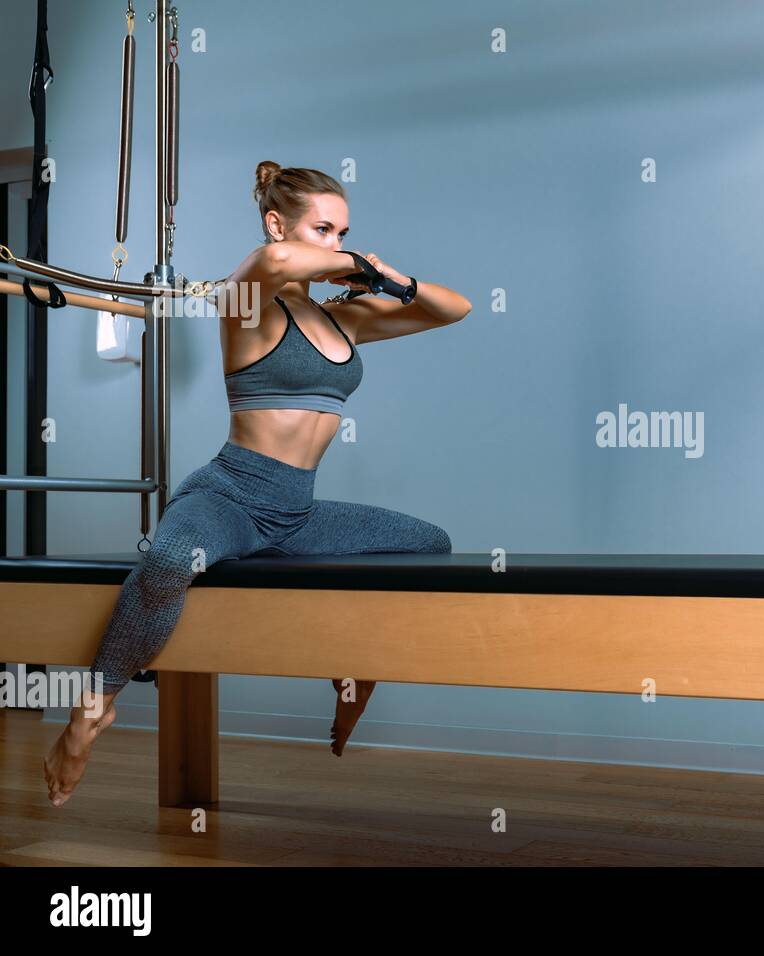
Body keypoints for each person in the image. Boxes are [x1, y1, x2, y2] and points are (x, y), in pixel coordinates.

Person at [43, 161, 472, 807]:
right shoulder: (246, 302)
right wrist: (353, 262)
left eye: (343, 231)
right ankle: (91, 714)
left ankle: (353, 675)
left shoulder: (343, 320)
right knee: (166, 559)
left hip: (296, 513)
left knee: (428, 542)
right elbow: (272, 261)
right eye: (322, 229)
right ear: (280, 223)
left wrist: (393, 280)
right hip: (230, 499)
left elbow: (453, 309)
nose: (333, 243)